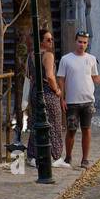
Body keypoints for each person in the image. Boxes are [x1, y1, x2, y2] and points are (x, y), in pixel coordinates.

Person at [57, 29, 100, 169]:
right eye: (79, 42)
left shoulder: (91, 59)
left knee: (86, 129)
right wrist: (62, 98)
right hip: (71, 101)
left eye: (84, 42)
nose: (81, 45)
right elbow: (61, 79)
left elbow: (95, 77)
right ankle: (68, 156)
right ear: (75, 41)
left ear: (87, 44)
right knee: (71, 130)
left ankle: (85, 159)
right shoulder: (66, 59)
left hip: (88, 101)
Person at [26, 28, 68, 168]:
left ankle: (32, 155)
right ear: (41, 42)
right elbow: (50, 76)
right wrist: (57, 90)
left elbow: (29, 76)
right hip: (48, 93)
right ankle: (55, 156)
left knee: (36, 123)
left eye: (52, 39)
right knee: (54, 123)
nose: (51, 42)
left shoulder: (31, 55)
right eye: (48, 39)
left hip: (34, 92)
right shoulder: (48, 56)